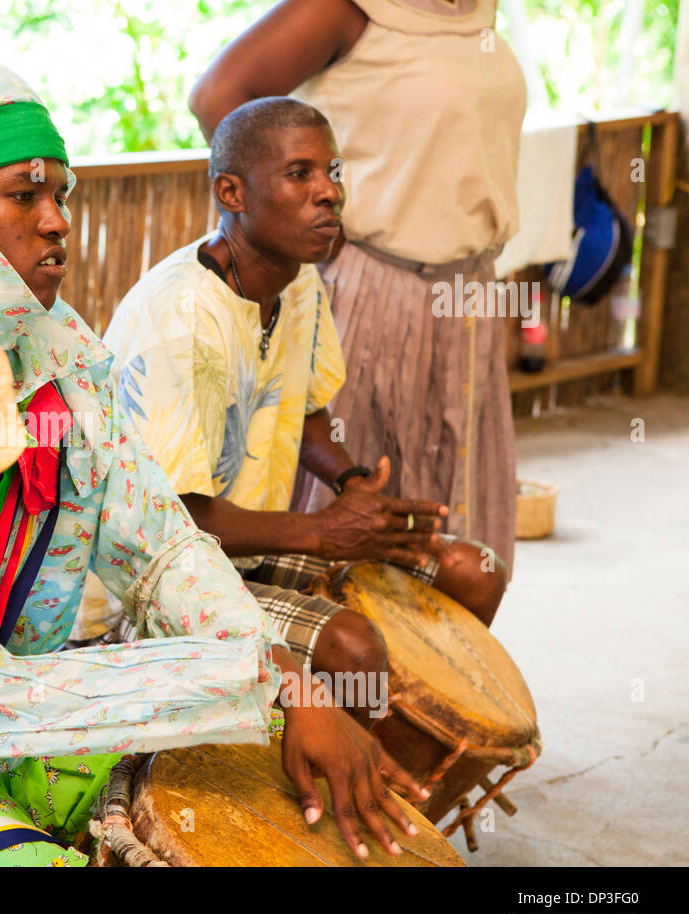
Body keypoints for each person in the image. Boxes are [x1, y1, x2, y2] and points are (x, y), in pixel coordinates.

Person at [0, 56, 430, 869]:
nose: (58, 221)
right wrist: (237, 682)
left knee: (261, 787)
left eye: (62, 194)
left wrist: (281, 681)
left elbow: (160, 548)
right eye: (25, 195)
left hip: (17, 734)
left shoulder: (63, 364)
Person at [82, 98, 506, 702]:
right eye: (299, 174)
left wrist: (351, 479)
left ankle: (397, 772)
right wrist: (321, 533)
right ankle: (348, 785)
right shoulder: (182, 319)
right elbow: (176, 520)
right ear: (232, 192)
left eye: (333, 172)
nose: (328, 192)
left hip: (244, 555)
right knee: (352, 647)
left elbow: (304, 407)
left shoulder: (296, 279)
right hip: (151, 580)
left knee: (472, 573)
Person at [189, 0, 526, 573]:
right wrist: (326, 235)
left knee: (458, 536)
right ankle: (328, 653)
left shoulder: (476, 11)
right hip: (374, 285)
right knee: (353, 513)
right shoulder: (347, 9)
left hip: (468, 292)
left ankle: (430, 661)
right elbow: (221, 94)